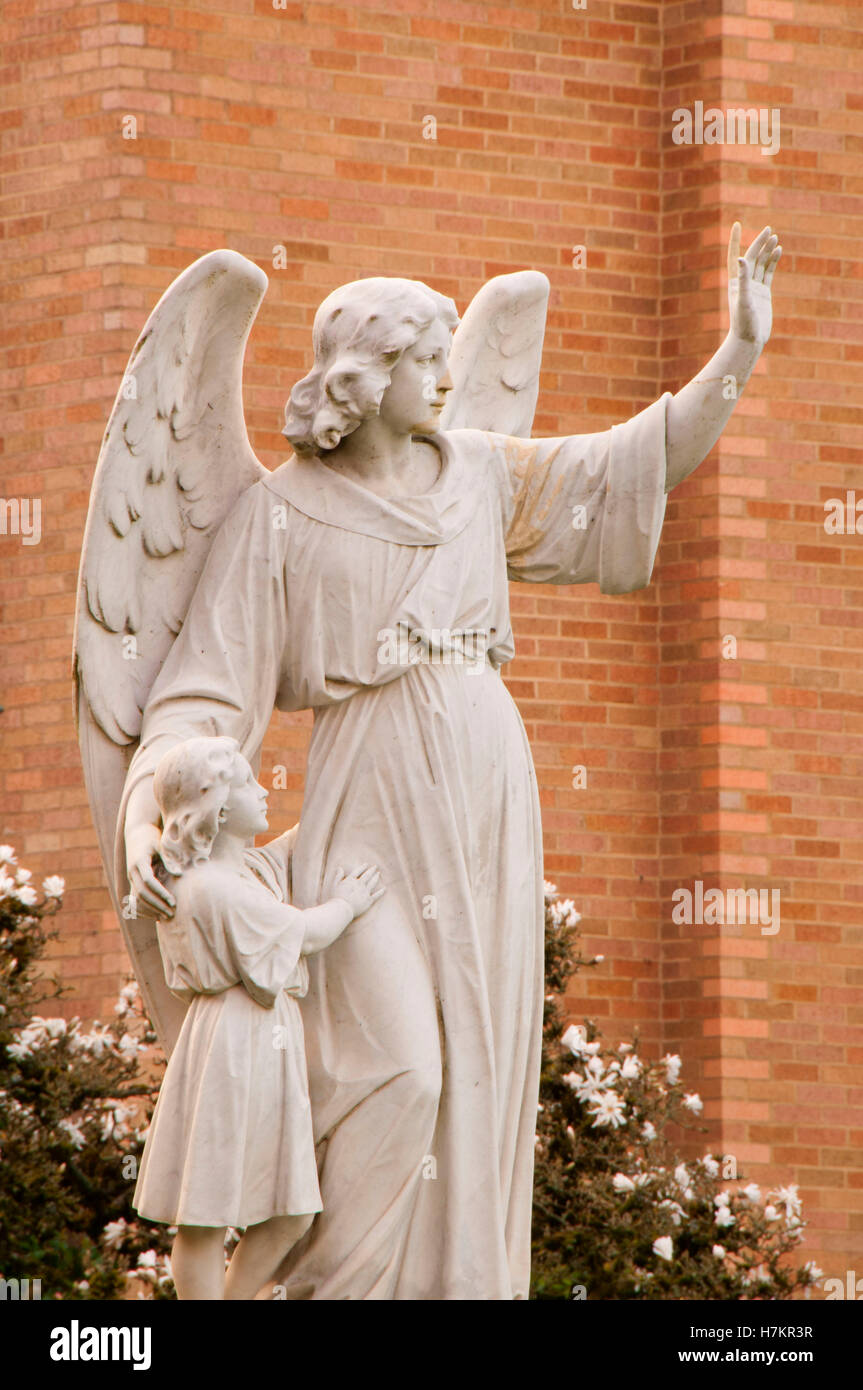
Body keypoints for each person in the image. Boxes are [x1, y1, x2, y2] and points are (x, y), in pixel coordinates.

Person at [121, 227, 781, 1299]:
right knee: (396, 1067)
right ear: (365, 377)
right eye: (423, 359)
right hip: (368, 798)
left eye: (440, 356)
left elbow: (625, 466)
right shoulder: (277, 515)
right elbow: (201, 688)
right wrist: (159, 807)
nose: (442, 375)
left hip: (484, 786)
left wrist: (735, 356)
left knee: (472, 1067)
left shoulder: (476, 473)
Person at [132, 734, 384, 1300]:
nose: (265, 788)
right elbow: (305, 933)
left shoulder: (237, 873)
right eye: (248, 781)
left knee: (290, 1209)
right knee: (206, 1211)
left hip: (258, 1041)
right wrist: (349, 903)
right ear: (218, 808)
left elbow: (285, 854)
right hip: (234, 1044)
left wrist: (345, 793)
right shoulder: (214, 888)